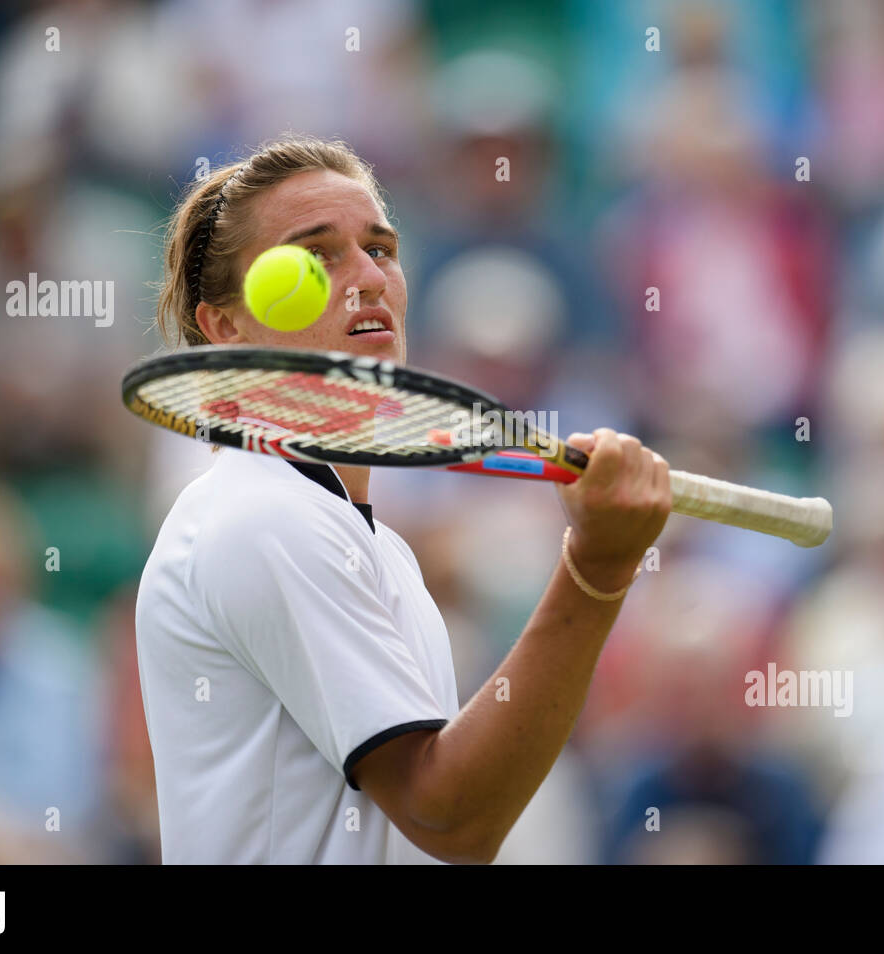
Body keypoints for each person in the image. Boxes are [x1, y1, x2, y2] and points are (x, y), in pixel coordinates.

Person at [136, 134, 672, 864]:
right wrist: (597, 569)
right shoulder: (261, 518)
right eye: (315, 255)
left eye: (381, 249)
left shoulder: (373, 545)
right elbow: (450, 817)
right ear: (228, 327)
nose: (367, 277)